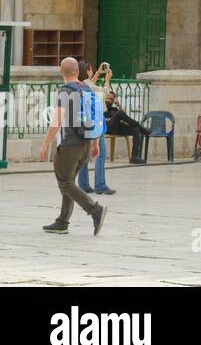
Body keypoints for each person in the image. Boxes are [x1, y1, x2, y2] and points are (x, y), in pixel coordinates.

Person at [38, 58, 108, 236]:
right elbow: (95, 117)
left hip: (70, 144)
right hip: (86, 143)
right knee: (69, 182)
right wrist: (95, 144)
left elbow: (56, 122)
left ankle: (95, 210)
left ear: (62, 72)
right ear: (77, 71)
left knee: (65, 182)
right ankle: (62, 222)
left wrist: (45, 145)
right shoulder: (86, 88)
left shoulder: (64, 91)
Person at [76, 61, 113, 196]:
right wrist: (107, 80)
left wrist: (98, 73)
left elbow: (90, 84)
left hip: (83, 122)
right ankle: (100, 185)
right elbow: (105, 94)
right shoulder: (89, 86)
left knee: (84, 155)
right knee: (100, 154)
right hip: (96, 122)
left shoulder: (80, 84)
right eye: (91, 69)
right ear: (87, 71)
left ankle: (83, 184)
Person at [104, 89, 147, 164]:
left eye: (111, 99)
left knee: (136, 129)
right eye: (108, 98)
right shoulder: (102, 107)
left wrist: (118, 105)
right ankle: (139, 125)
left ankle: (134, 157)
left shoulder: (114, 109)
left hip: (118, 128)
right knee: (120, 113)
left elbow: (123, 118)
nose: (109, 100)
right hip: (108, 128)